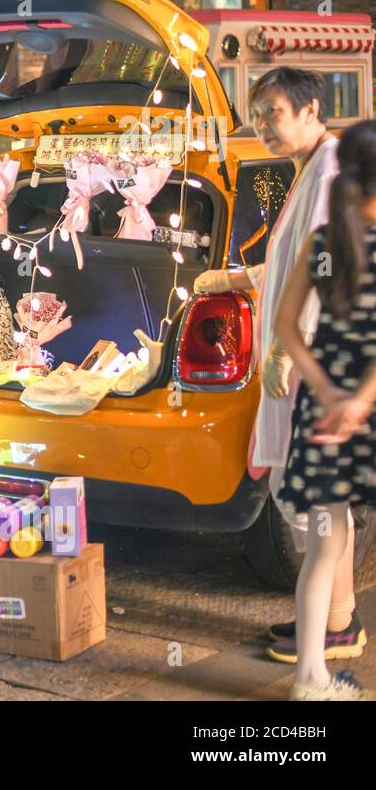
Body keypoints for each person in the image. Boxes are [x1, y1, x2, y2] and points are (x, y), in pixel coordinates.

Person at [194, 68, 362, 661]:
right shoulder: (309, 171)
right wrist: (236, 277)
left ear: (311, 108)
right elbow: (293, 259)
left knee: (318, 501)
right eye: (256, 115)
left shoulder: (331, 170)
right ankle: (335, 620)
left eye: (273, 112)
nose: (262, 125)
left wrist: (290, 346)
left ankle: (335, 630)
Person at [272, 120, 376, 700]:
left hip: (324, 408)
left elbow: (289, 327)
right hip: (365, 405)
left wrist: (329, 393)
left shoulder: (325, 244)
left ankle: (309, 679)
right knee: (331, 538)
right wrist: (360, 399)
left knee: (327, 540)